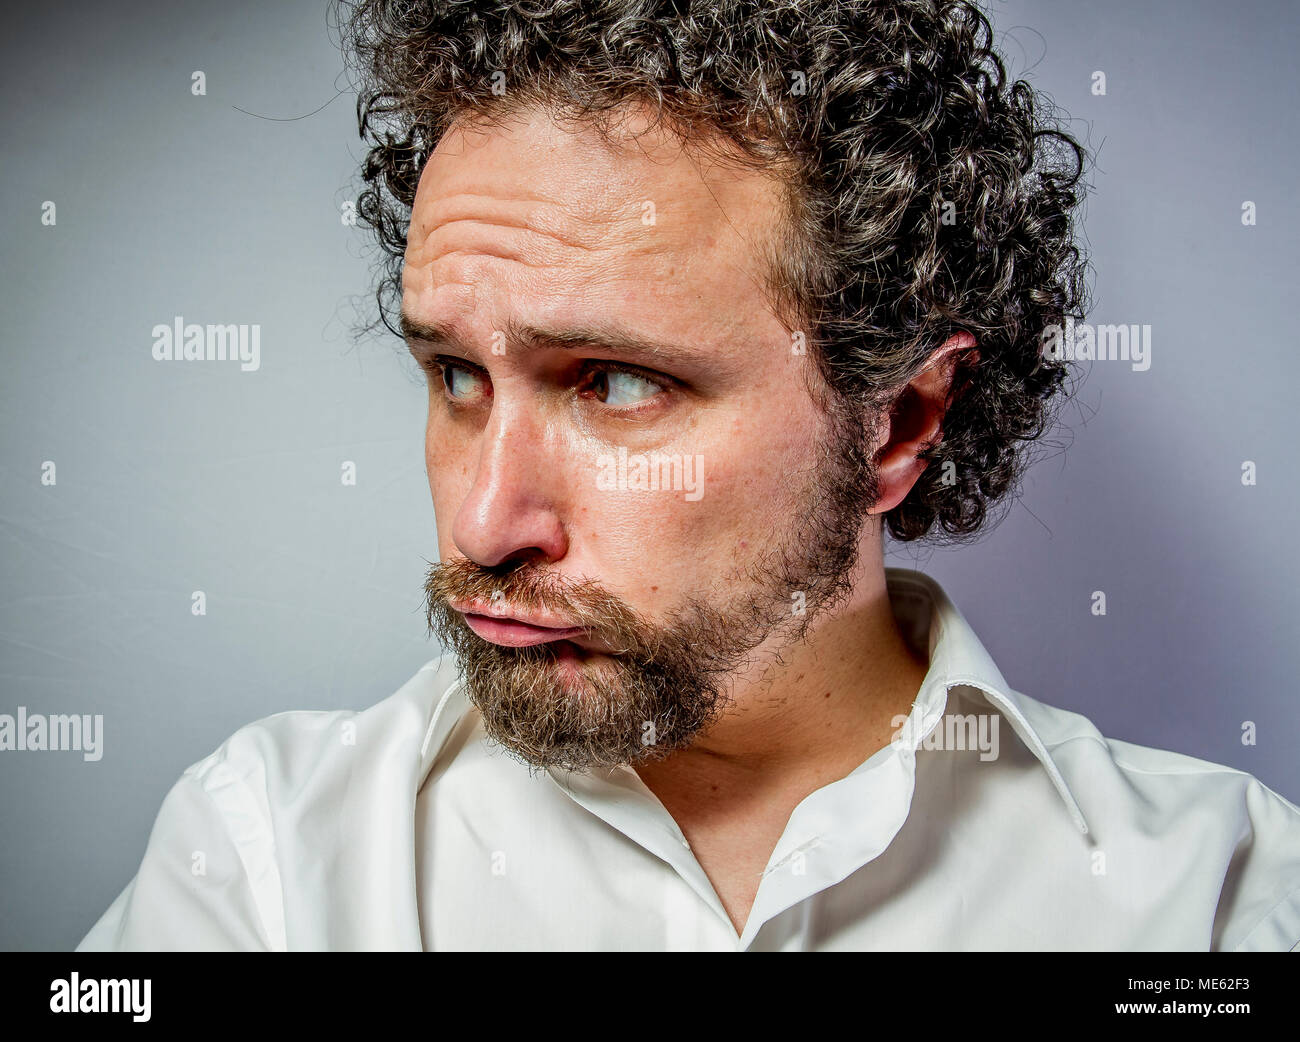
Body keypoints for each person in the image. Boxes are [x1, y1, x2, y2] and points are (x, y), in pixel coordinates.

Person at [77, 0, 1299, 951]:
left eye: (610, 382)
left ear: (899, 423)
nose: (484, 520)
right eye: (454, 375)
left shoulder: (1216, 899)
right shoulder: (270, 867)